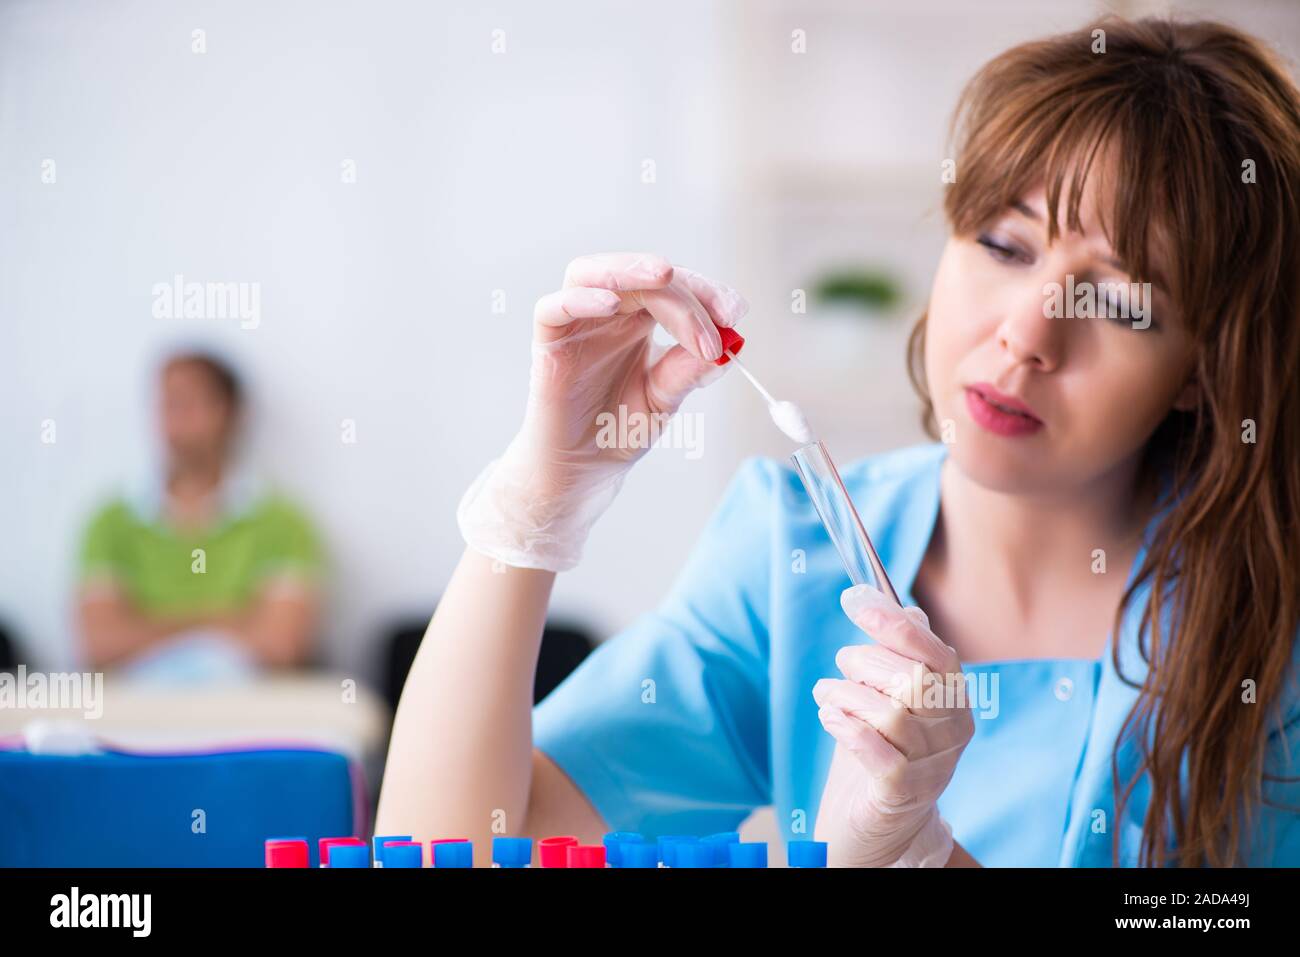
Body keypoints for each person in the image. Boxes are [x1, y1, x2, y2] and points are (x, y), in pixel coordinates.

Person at [377, 17, 1300, 866]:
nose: (1027, 335)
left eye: (1115, 302)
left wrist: (919, 851)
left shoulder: (1270, 617)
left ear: (1198, 369)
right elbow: (448, 843)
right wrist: (535, 504)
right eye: (1005, 247)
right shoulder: (792, 556)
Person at [76, 350, 323, 682]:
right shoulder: (110, 521)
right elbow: (100, 646)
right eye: (167, 404)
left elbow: (281, 646)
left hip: (249, 714)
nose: (174, 423)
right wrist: (229, 623)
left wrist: (146, 627)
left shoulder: (283, 522)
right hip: (134, 713)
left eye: (189, 404)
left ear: (230, 414)